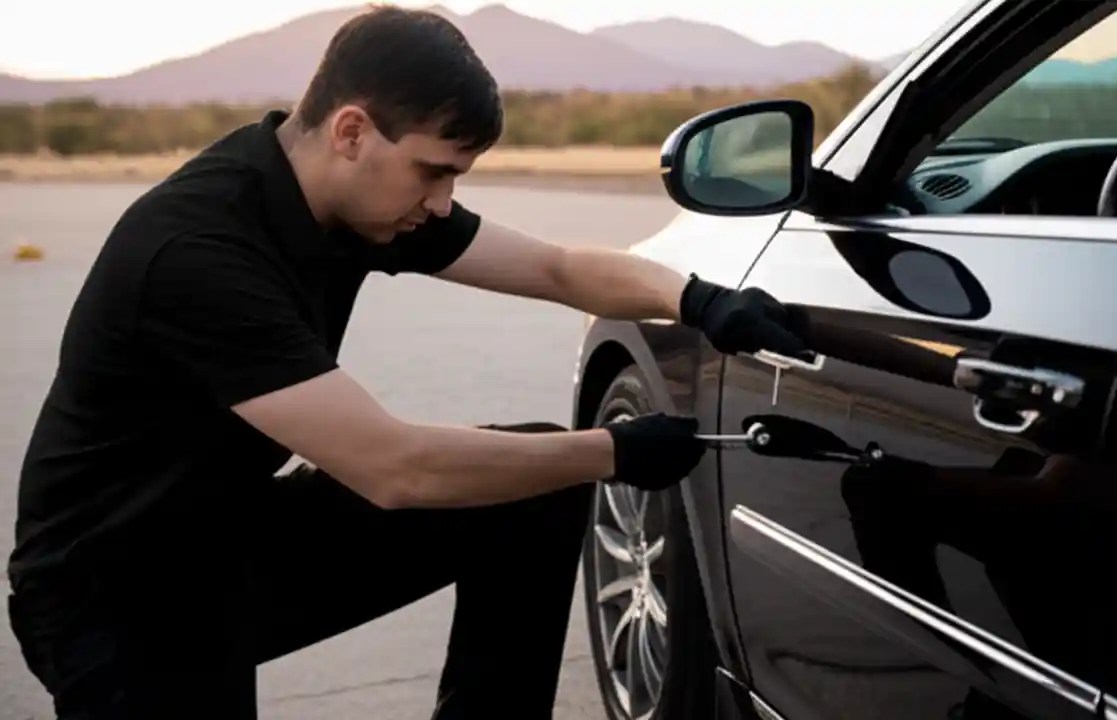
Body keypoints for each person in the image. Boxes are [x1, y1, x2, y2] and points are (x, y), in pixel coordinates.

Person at [5, 7, 812, 719]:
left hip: (230, 537)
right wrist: (615, 454)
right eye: (434, 172)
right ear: (352, 131)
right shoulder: (197, 253)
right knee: (547, 465)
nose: (439, 203)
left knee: (523, 497)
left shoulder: (361, 201)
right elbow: (397, 468)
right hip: (115, 597)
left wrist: (701, 299)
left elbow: (560, 269)